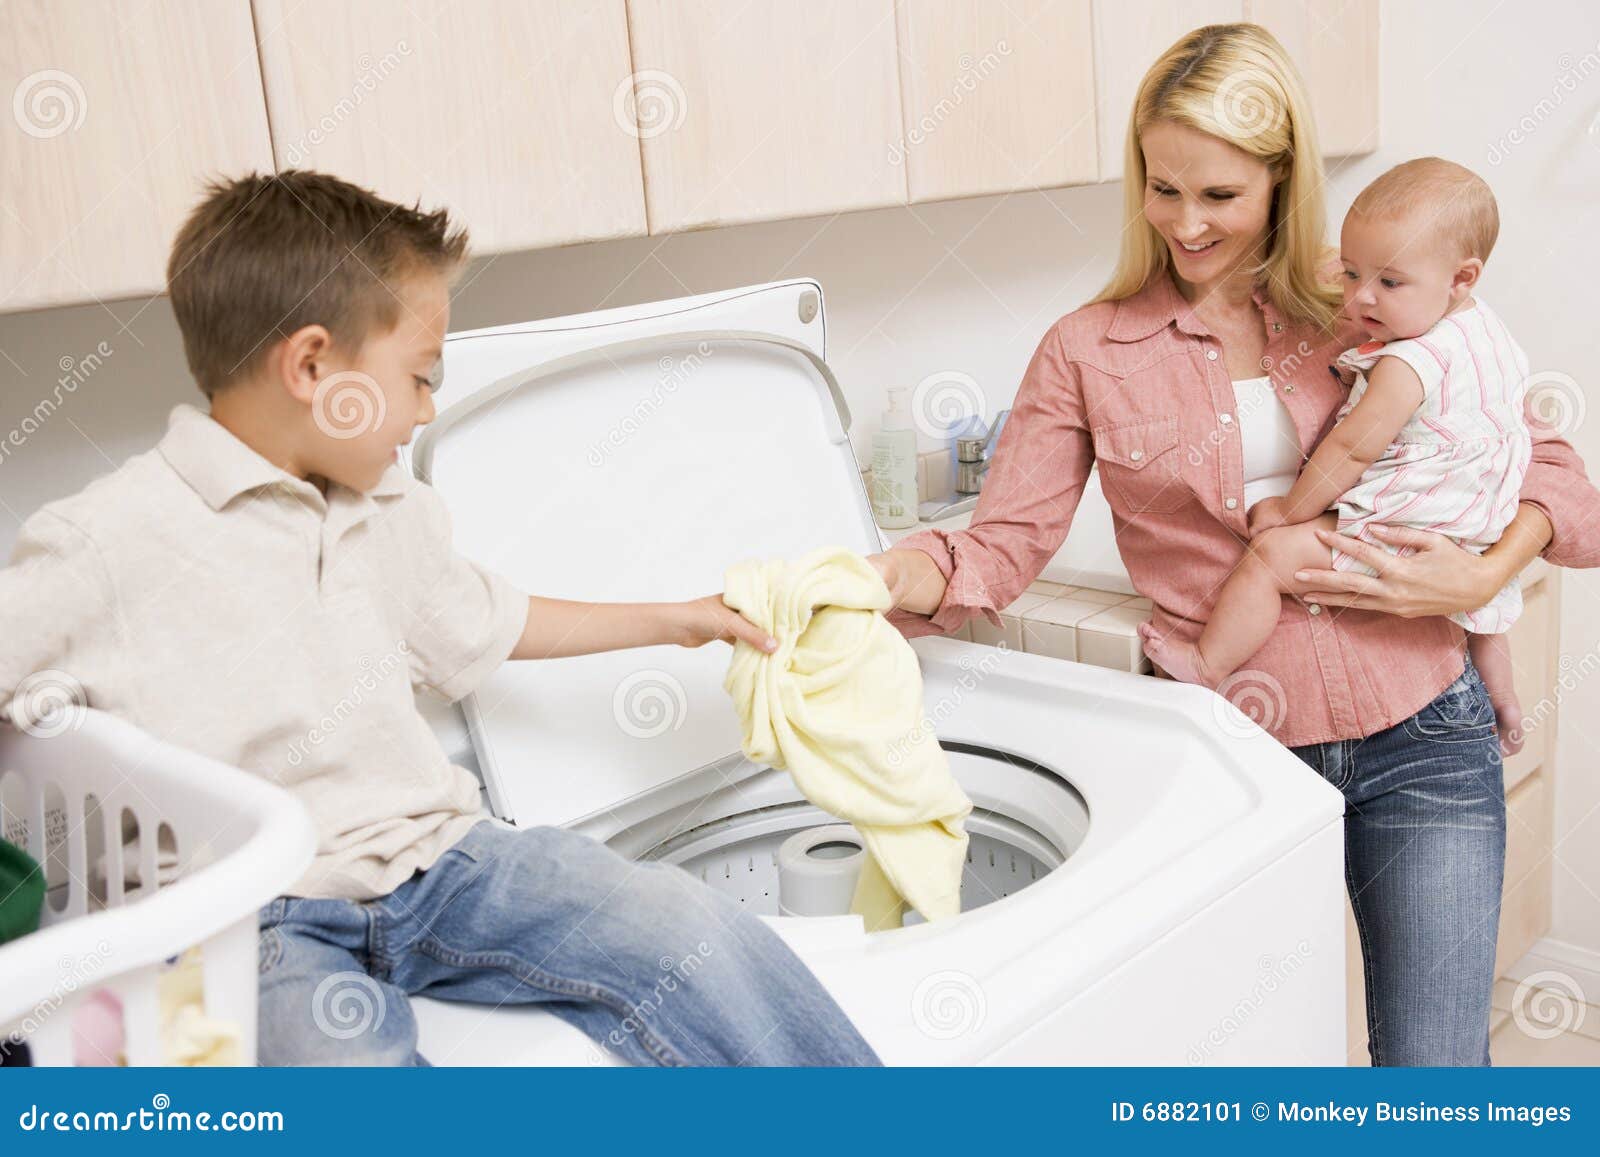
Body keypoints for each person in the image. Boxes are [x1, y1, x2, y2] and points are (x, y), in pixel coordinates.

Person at [0, 170, 879, 1068]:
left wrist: (676, 617)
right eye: (420, 378)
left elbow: (489, 619)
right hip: (245, 920)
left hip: (441, 861)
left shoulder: (388, 504)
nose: (426, 411)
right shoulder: (104, 542)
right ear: (311, 367)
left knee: (689, 924)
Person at [868, 24, 1600, 1065]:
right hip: (1236, 751)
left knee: (1436, 1076)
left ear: (1280, 177)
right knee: (1253, 1056)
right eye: (1163, 188)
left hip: (1427, 731)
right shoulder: (1086, 348)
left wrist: (1485, 570)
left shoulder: (1367, 299)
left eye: (1218, 194)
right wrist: (874, 581)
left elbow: (1554, 469)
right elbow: (1002, 544)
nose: (1186, 221)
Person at [1140, 158, 1529, 757]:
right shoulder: (1488, 332)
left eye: (1389, 283)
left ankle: (1204, 662)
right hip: (1474, 525)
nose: (1360, 297)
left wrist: (1290, 513)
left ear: (1462, 277)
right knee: (1482, 611)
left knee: (1269, 558)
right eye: (1350, 273)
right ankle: (1504, 704)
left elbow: (1349, 449)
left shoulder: (1409, 362)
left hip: (1405, 535)